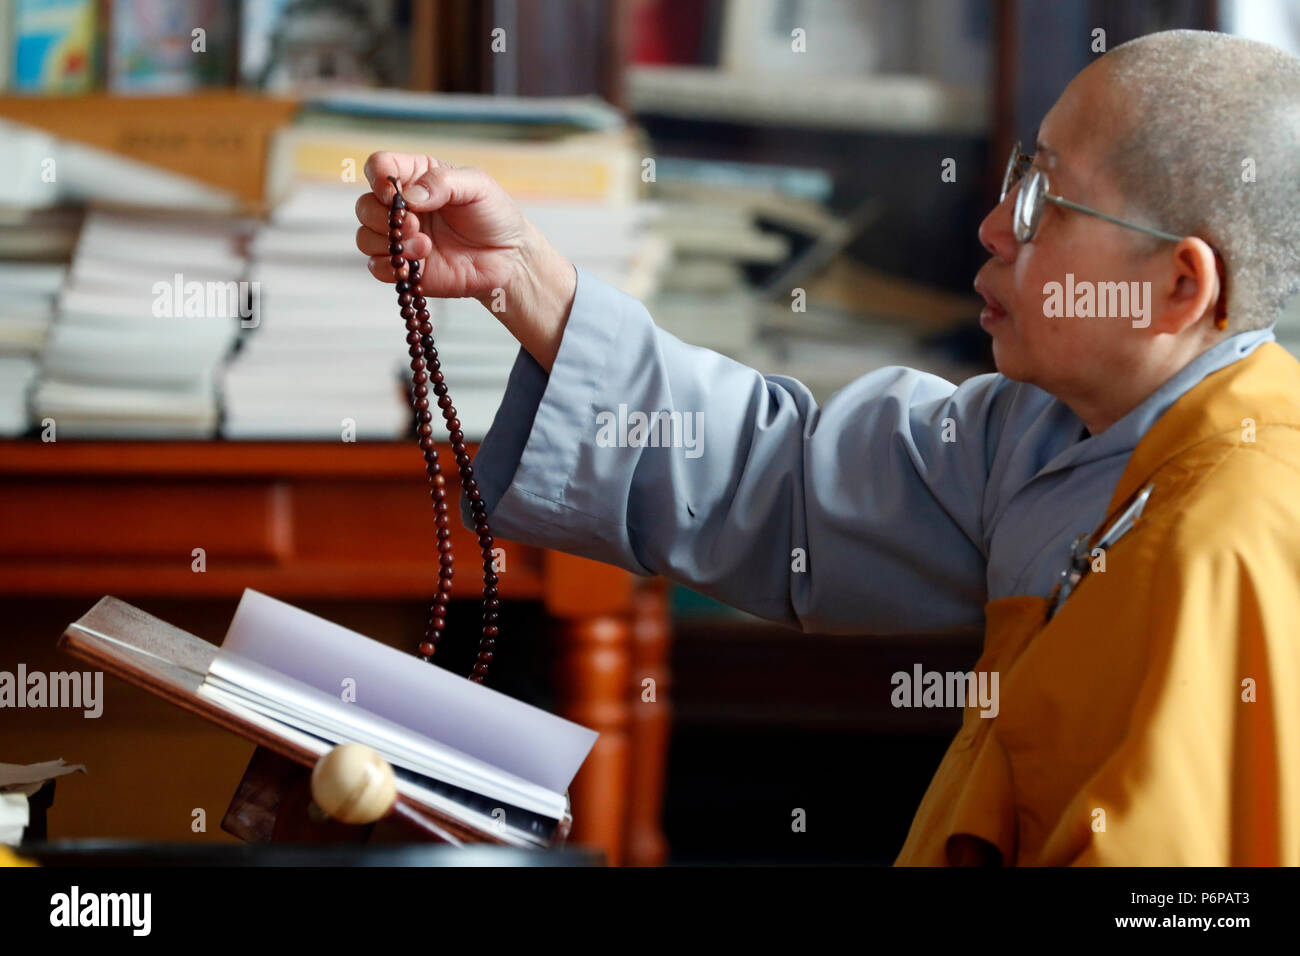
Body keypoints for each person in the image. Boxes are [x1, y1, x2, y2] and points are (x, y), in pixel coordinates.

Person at [355, 30, 1300, 865]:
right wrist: (523, 281)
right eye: (1020, 175)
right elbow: (792, 483)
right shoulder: (1048, 428)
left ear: (1180, 288)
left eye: (1047, 200)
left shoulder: (1231, 530)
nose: (991, 225)